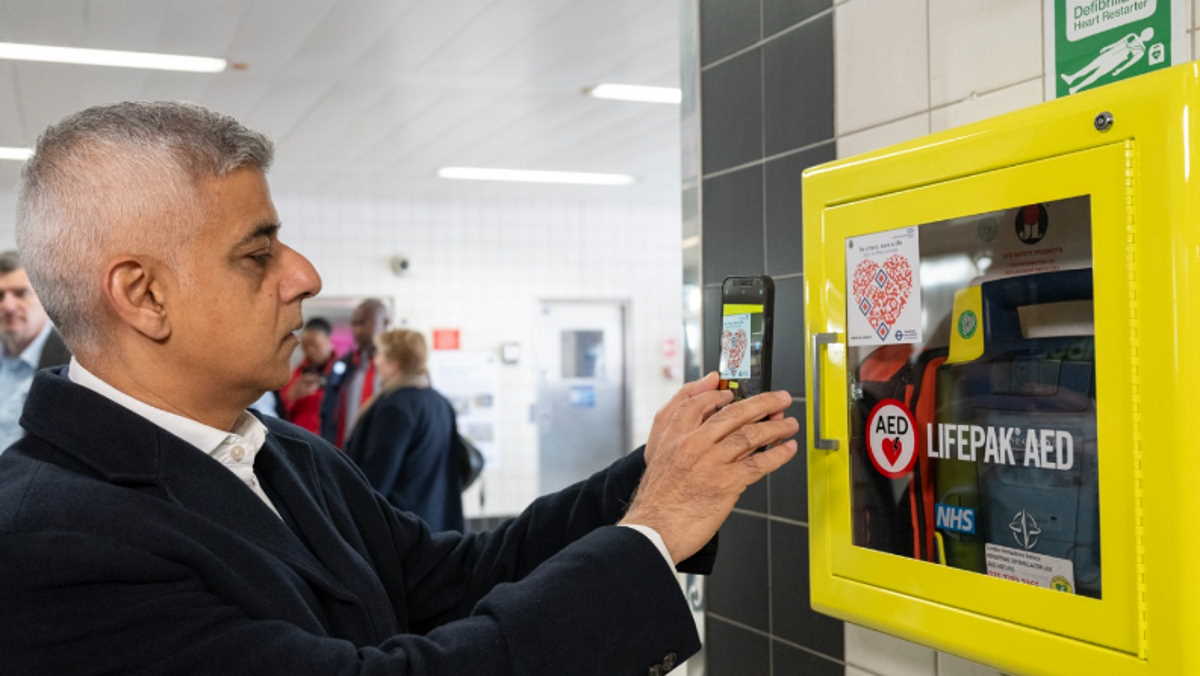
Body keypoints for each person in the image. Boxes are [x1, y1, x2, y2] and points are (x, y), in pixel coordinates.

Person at [0, 101, 799, 675]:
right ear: (142, 295)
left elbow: (456, 579)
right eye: (258, 254)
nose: (305, 276)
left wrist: (661, 470)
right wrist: (650, 534)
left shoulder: (279, 450)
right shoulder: (51, 542)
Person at [346, 329, 463, 531]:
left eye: (380, 354)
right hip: (438, 521)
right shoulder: (439, 403)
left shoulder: (395, 407)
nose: (376, 361)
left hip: (403, 529)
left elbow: (378, 476)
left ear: (395, 362)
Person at [0, 249, 70, 452]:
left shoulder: (73, 362)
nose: (9, 306)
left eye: (20, 293)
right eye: (0, 296)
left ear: (44, 298)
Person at [321, 298, 388, 446]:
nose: (357, 330)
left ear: (385, 323)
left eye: (363, 323)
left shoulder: (399, 366)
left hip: (382, 450)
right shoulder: (344, 364)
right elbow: (328, 411)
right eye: (354, 324)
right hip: (346, 451)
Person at [280, 316, 337, 434]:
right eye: (305, 346)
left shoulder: (342, 372)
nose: (309, 351)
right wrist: (292, 396)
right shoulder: (296, 374)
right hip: (299, 437)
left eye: (315, 345)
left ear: (328, 341)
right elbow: (281, 410)